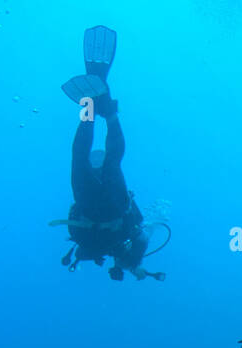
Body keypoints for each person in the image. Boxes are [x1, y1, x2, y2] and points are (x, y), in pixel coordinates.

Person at [55, 27, 165, 282]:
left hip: (88, 204)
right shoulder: (119, 248)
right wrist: (135, 266)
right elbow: (138, 241)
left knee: (83, 157)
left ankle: (93, 107)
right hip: (110, 206)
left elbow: (131, 245)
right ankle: (105, 111)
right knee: (104, 161)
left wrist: (133, 266)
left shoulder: (102, 250)